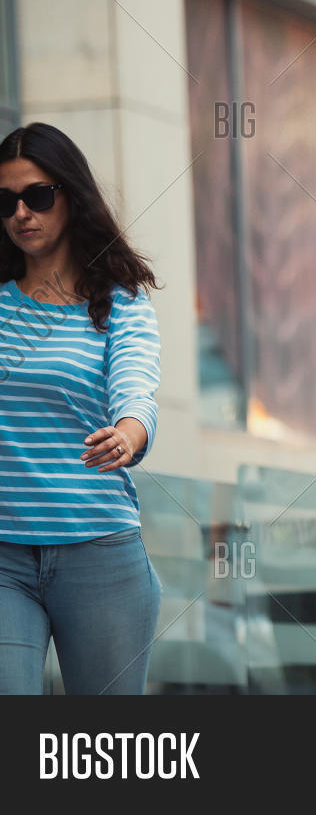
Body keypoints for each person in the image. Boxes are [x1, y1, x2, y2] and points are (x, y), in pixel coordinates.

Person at [0, 123, 163, 694]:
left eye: (38, 195)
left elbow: (137, 388)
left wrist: (127, 433)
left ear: (70, 194)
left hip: (100, 555)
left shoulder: (119, 303)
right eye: (6, 201)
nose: (22, 212)